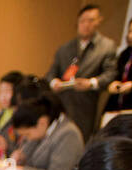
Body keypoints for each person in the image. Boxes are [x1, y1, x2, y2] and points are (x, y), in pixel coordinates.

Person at [46, 4, 118, 141]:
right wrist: (54, 82)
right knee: (56, 140)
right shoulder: (66, 48)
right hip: (63, 103)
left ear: (99, 21)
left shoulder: (106, 47)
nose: (86, 25)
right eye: (82, 21)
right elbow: (51, 73)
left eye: (91, 20)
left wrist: (91, 83)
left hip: (85, 106)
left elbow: (111, 74)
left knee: (79, 141)